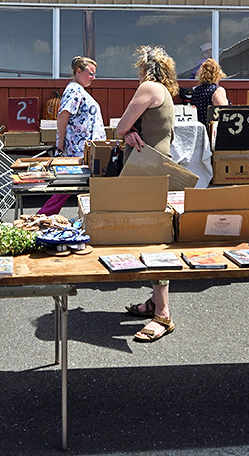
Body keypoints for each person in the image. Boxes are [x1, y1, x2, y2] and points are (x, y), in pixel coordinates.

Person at [116, 45, 179, 342]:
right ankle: (155, 302)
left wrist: (126, 132)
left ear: (144, 68)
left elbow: (120, 126)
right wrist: (130, 133)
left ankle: (163, 314)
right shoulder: (165, 92)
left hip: (145, 166)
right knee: (150, 233)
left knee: (151, 237)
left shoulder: (147, 87)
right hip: (157, 161)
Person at [36, 56, 106, 216]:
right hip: (79, 150)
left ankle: (44, 216)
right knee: (66, 187)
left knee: (69, 188)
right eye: (90, 73)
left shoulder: (79, 90)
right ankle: (42, 216)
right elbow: (63, 114)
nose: (93, 78)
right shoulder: (74, 90)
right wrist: (60, 141)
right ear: (79, 71)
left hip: (86, 149)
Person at [190, 58, 229, 125]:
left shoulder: (196, 91)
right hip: (213, 131)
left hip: (200, 129)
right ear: (218, 75)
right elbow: (224, 112)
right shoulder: (217, 91)